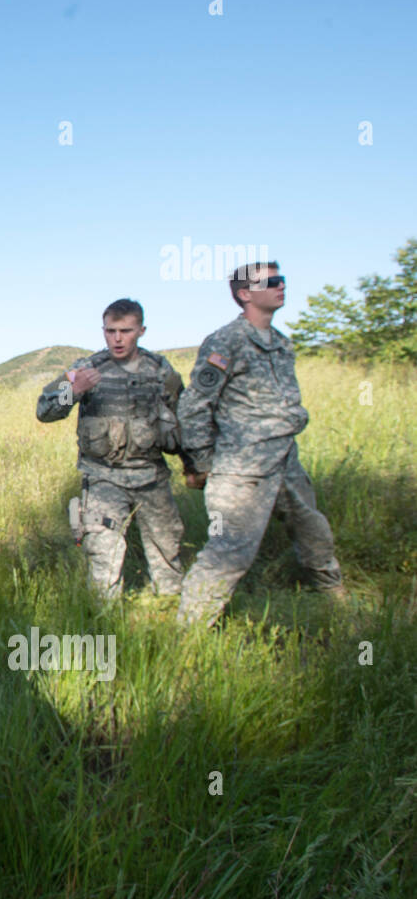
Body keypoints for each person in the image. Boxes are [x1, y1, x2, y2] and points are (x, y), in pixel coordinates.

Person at [176, 263, 345, 626]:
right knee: (230, 551)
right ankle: (187, 632)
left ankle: (333, 597)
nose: (281, 286)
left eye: (282, 279)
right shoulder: (226, 341)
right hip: (242, 469)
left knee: (313, 530)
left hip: (285, 458)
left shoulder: (281, 343)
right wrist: (201, 463)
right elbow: (194, 406)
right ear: (245, 294)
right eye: (270, 282)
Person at [36, 299, 190, 599]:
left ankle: (169, 612)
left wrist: (194, 464)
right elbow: (44, 411)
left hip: (151, 476)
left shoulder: (160, 370)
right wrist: (74, 390)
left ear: (141, 330)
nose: (117, 339)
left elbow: (183, 418)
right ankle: (107, 624)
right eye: (110, 331)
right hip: (103, 477)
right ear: (103, 331)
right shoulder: (85, 369)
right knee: (103, 556)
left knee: (167, 550)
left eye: (126, 331)